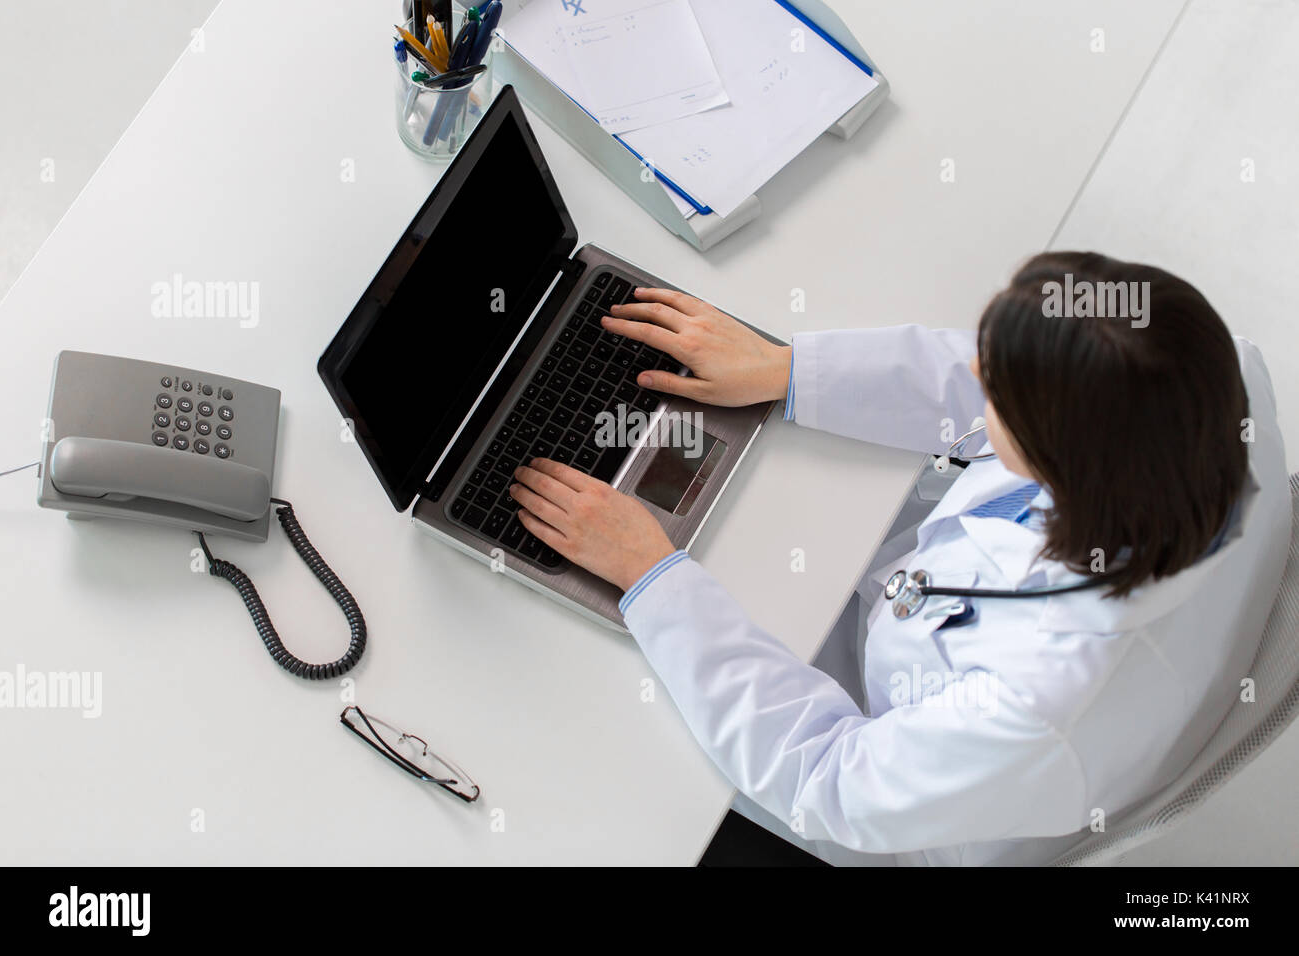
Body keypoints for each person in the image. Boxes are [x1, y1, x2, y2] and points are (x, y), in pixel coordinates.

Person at [508, 251, 1290, 865]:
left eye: (997, 394)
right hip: (912, 636)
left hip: (887, 790)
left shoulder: (1035, 695)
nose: (972, 375)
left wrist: (653, 579)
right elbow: (1018, 373)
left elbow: (830, 781)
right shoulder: (1215, 377)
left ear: (1059, 467)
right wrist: (789, 371)